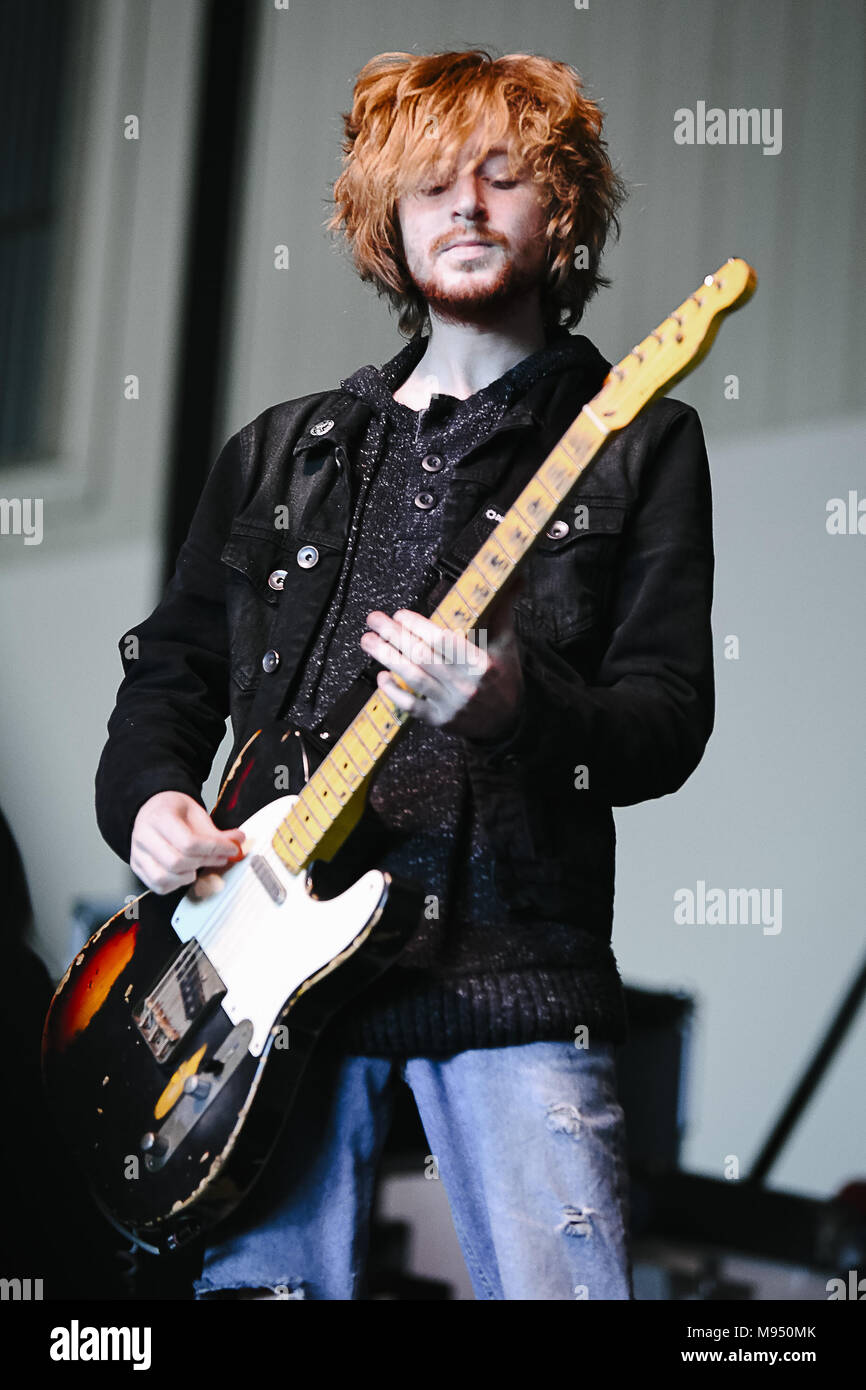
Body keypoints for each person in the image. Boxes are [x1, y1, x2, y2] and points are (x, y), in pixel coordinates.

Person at [94, 48, 715, 1300]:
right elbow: (169, 675)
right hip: (260, 983)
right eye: (431, 185)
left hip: (513, 969)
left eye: (504, 179)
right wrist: (150, 804)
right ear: (388, 216)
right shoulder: (278, 453)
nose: (467, 209)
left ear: (563, 214)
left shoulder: (636, 440)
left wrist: (510, 705)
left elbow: (662, 722)